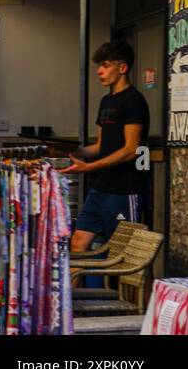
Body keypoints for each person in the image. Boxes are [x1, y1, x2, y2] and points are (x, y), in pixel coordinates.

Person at [63, 40, 150, 251]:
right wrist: (70, 151)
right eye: (99, 66)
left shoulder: (133, 100)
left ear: (122, 68)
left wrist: (89, 167)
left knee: (126, 253)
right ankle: (74, 286)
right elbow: (101, 146)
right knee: (78, 243)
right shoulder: (106, 102)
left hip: (125, 189)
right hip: (100, 188)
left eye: (105, 65)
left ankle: (144, 286)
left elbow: (131, 149)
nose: (99, 71)